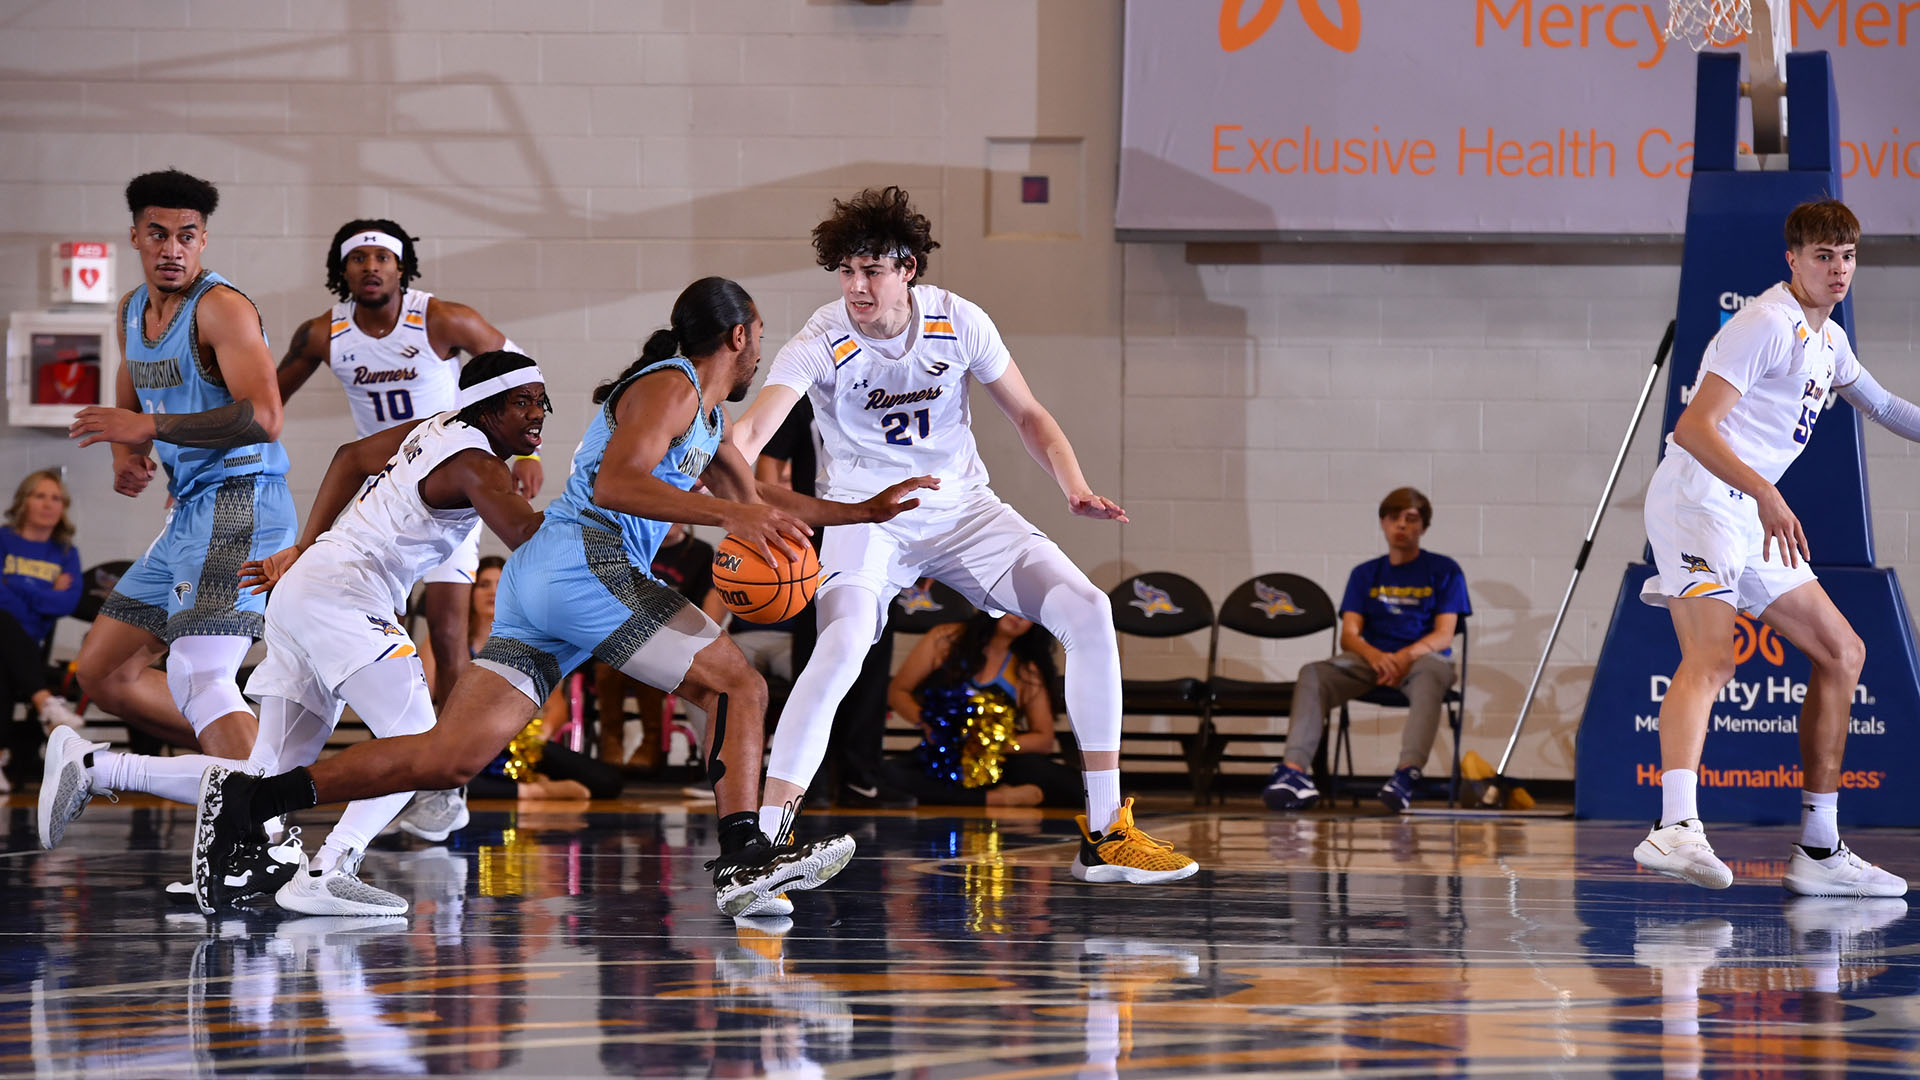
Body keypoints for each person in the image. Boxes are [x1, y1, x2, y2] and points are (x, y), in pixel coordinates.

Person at [191, 277, 935, 918]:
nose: (759, 354)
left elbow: (758, 493)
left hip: (547, 585)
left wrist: (860, 512)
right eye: (758, 339)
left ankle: (254, 803)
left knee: (452, 758)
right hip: (587, 565)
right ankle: (746, 855)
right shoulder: (667, 384)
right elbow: (618, 483)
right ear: (738, 335)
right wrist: (733, 516)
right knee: (738, 684)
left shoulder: (708, 418)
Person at [732, 186, 1198, 885]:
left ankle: (1106, 832)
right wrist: (728, 491)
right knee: (842, 647)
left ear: (908, 267)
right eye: (847, 271)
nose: (857, 286)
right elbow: (748, 435)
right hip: (867, 518)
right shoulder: (822, 338)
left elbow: (1030, 415)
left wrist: (1072, 485)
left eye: (873, 270)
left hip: (960, 510)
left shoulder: (960, 321)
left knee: (1088, 610)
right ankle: (762, 847)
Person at [42, 353, 547, 922]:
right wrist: (603, 517)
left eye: (542, 400)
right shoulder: (480, 465)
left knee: (267, 773)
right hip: (345, 595)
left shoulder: (434, 426)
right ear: (488, 404)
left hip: (311, 587)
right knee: (421, 744)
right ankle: (332, 868)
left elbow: (350, 456)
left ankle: (95, 768)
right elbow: (528, 534)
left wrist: (307, 545)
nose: (539, 413)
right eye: (523, 401)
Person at [1634, 199, 1909, 897]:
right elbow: (1693, 429)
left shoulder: (1830, 339)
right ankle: (1675, 827)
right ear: (1793, 259)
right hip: (1699, 499)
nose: (1837, 269)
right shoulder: (1764, 322)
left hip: (1746, 512)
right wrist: (1768, 494)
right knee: (1714, 656)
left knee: (1843, 652)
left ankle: (1819, 851)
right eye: (1823, 256)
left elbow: (1883, 407)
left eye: (1846, 256)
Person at [66, 169, 295, 763]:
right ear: (136, 236)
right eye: (159, 234)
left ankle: (262, 819)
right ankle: (256, 770)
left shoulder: (220, 308)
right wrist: (126, 452)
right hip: (190, 509)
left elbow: (266, 418)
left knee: (202, 677)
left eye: (186, 236)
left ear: (204, 240)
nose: (172, 249)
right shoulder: (131, 311)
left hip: (243, 499)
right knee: (103, 671)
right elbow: (132, 381)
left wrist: (151, 428)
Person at [277, 218, 539, 704]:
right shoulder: (322, 333)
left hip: (450, 473)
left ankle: (449, 769)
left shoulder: (440, 318)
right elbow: (268, 405)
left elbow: (519, 370)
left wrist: (527, 449)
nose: (371, 267)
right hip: (385, 482)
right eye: (359, 258)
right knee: (373, 621)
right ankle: (399, 739)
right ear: (343, 270)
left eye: (382, 258)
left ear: (402, 269)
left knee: (446, 630)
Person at [1262, 488, 1470, 813]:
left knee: (1430, 673)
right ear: (1383, 523)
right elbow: (1350, 635)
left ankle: (1406, 775)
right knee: (1314, 673)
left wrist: (1404, 657)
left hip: (1423, 660)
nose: (1401, 525)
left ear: (1424, 527)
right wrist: (1376, 657)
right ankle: (1294, 773)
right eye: (1394, 518)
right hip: (1370, 660)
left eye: (1411, 519)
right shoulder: (1364, 574)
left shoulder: (1445, 570)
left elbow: (1444, 635)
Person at [758, 398, 914, 809]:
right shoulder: (805, 400)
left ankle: (861, 778)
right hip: (819, 541)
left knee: (872, 661)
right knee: (815, 662)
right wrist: (772, 514)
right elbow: (769, 461)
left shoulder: (889, 394)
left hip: (879, 538)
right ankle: (811, 780)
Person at [883, 611, 1081, 808]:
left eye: (1028, 614)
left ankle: (986, 794)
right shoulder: (946, 638)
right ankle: (998, 799)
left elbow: (1044, 740)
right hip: (942, 756)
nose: (1019, 616)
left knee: (1068, 784)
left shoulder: (1026, 670)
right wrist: (931, 726)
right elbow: (897, 691)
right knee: (886, 774)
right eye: (1011, 607)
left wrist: (988, 745)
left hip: (997, 763)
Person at [0, 470, 84, 786]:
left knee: (4, 659)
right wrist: (47, 590)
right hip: (13, 636)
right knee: (2, 621)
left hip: (29, 646)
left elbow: (66, 605)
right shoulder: (3, 540)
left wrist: (17, 585)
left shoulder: (65, 553)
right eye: (40, 496)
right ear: (24, 501)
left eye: (56, 498)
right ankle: (46, 703)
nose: (49, 504)